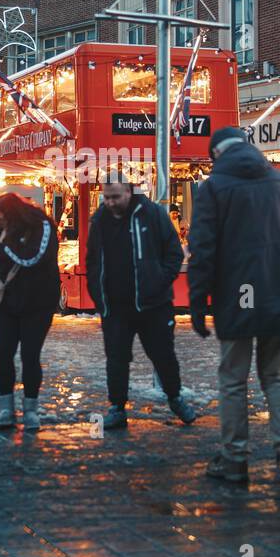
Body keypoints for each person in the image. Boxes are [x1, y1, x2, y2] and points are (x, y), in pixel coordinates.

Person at [188, 126, 280, 484]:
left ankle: (234, 458)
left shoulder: (213, 188)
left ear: (216, 154)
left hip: (238, 295)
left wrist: (199, 302)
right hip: (278, 293)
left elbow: (203, 251)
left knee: (233, 378)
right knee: (275, 375)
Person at [85, 174, 196, 430]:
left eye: (115, 196)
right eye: (107, 197)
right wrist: (98, 297)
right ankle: (117, 408)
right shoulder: (100, 219)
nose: (111, 202)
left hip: (153, 305)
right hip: (115, 307)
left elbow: (174, 252)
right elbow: (93, 260)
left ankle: (175, 399)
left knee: (163, 355)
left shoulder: (152, 214)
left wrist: (160, 281)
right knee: (116, 358)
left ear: (128, 192)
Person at [0, 192, 60, 432]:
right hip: (5, 304)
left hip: (37, 304)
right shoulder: (0, 231)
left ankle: (30, 410)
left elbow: (33, 258)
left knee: (30, 356)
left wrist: (7, 242)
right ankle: (6, 409)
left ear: (13, 216)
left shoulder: (42, 227)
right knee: (4, 354)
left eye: (0, 220)